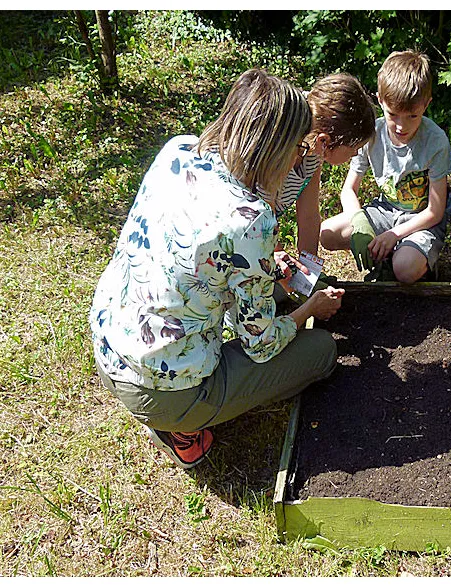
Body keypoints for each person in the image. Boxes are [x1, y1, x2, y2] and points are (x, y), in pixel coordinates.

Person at [89, 69, 345, 469]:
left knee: (270, 297)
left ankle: (170, 415)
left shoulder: (179, 149)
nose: (300, 158)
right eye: (297, 148)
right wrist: (309, 312)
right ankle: (179, 425)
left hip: (110, 346)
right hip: (162, 388)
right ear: (273, 147)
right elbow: (260, 343)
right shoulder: (250, 220)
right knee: (321, 351)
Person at [319, 50, 451, 284]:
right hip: (385, 211)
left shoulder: (435, 141)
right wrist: (358, 220)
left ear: (426, 104)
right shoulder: (373, 133)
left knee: (405, 270)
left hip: (421, 220)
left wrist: (394, 235)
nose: (401, 126)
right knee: (327, 234)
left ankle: (412, 262)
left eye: (412, 116)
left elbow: (435, 211)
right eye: (393, 114)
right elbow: (349, 190)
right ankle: (388, 255)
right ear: (380, 100)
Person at [273, 73, 376, 257]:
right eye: (354, 147)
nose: (356, 154)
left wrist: (309, 270)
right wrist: (286, 272)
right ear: (325, 142)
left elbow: (309, 216)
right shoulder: (280, 148)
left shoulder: (314, 149)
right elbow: (259, 225)